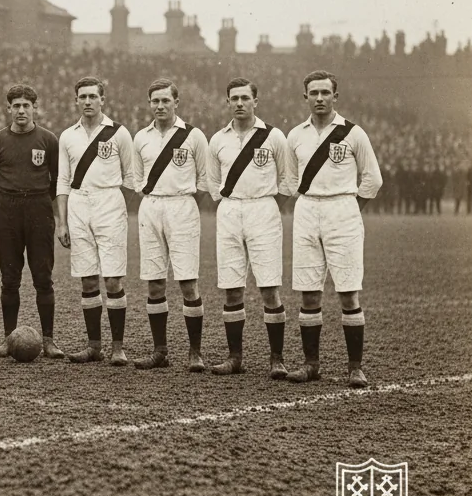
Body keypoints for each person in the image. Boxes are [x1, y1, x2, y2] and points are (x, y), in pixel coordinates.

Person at [285, 70, 383, 388]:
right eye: (313, 93)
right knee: (309, 291)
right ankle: (311, 364)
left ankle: (355, 367)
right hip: (308, 210)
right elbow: (288, 181)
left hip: (343, 210)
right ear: (306, 98)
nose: (319, 98)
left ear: (335, 97)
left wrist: (351, 208)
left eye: (325, 93)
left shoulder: (353, 133)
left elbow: (373, 179)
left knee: (348, 292)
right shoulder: (295, 135)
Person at [207, 78, 293, 378]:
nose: (240, 103)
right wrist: (233, 204)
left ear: (256, 101)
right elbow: (213, 184)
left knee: (269, 287)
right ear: (228, 102)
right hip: (230, 211)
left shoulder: (274, 137)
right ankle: (235, 357)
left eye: (245, 98)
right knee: (231, 288)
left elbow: (286, 180)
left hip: (263, 209)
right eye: (234, 98)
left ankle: (277, 358)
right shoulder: (218, 139)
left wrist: (267, 207)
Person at [130, 78, 210, 371]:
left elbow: (203, 181)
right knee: (154, 282)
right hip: (151, 208)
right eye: (155, 101)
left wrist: (183, 205)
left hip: (183, 207)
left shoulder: (193, 136)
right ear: (149, 104)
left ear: (176, 102)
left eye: (166, 100)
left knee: (188, 282)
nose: (160, 106)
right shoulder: (141, 137)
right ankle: (160, 352)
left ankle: (195, 353)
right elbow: (138, 180)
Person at [57, 77, 136, 367]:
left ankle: (118, 347)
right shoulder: (67, 136)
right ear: (76, 100)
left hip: (109, 204)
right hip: (78, 205)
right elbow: (63, 181)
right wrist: (62, 222)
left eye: (93, 96)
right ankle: (94, 346)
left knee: (113, 278)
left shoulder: (119, 133)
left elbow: (130, 177)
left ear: (103, 99)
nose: (88, 101)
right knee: (87, 277)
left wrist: (110, 202)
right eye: (82, 97)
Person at [0, 84, 64, 359]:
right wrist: (9, 199)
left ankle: (50, 340)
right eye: (16, 105)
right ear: (9, 109)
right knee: (10, 279)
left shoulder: (48, 140)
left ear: (34, 108)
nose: (21, 110)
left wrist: (38, 199)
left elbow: (58, 179)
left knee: (43, 277)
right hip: (8, 211)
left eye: (26, 105)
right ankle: (9, 339)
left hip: (40, 209)